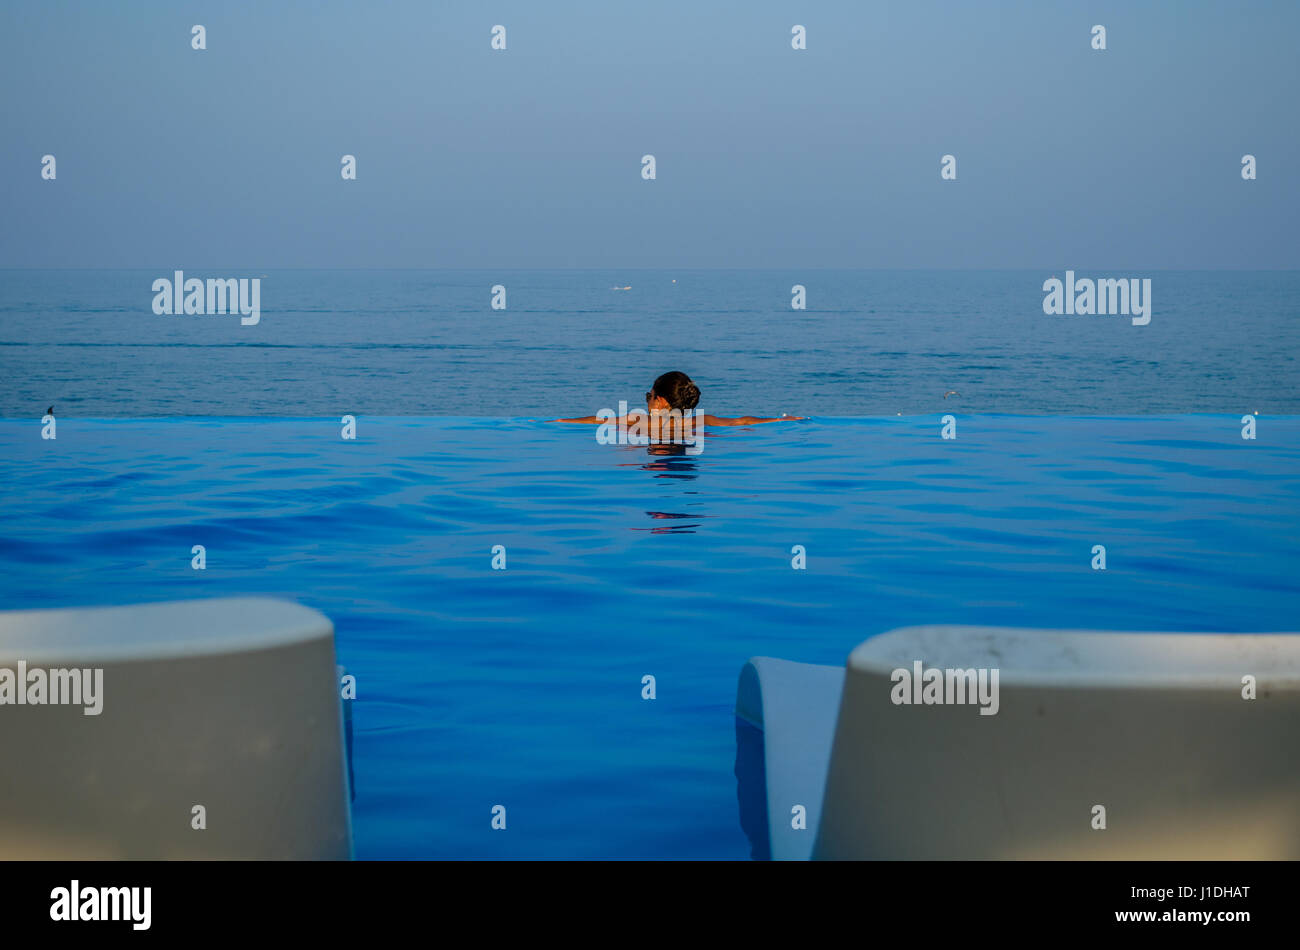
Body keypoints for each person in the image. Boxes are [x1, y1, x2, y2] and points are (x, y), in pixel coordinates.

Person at [554, 371, 802, 427]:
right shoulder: (699, 421)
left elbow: (599, 420)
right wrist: (780, 420)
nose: (647, 400)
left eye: (649, 396)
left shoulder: (641, 421)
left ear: (660, 401)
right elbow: (742, 422)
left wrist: (561, 421)